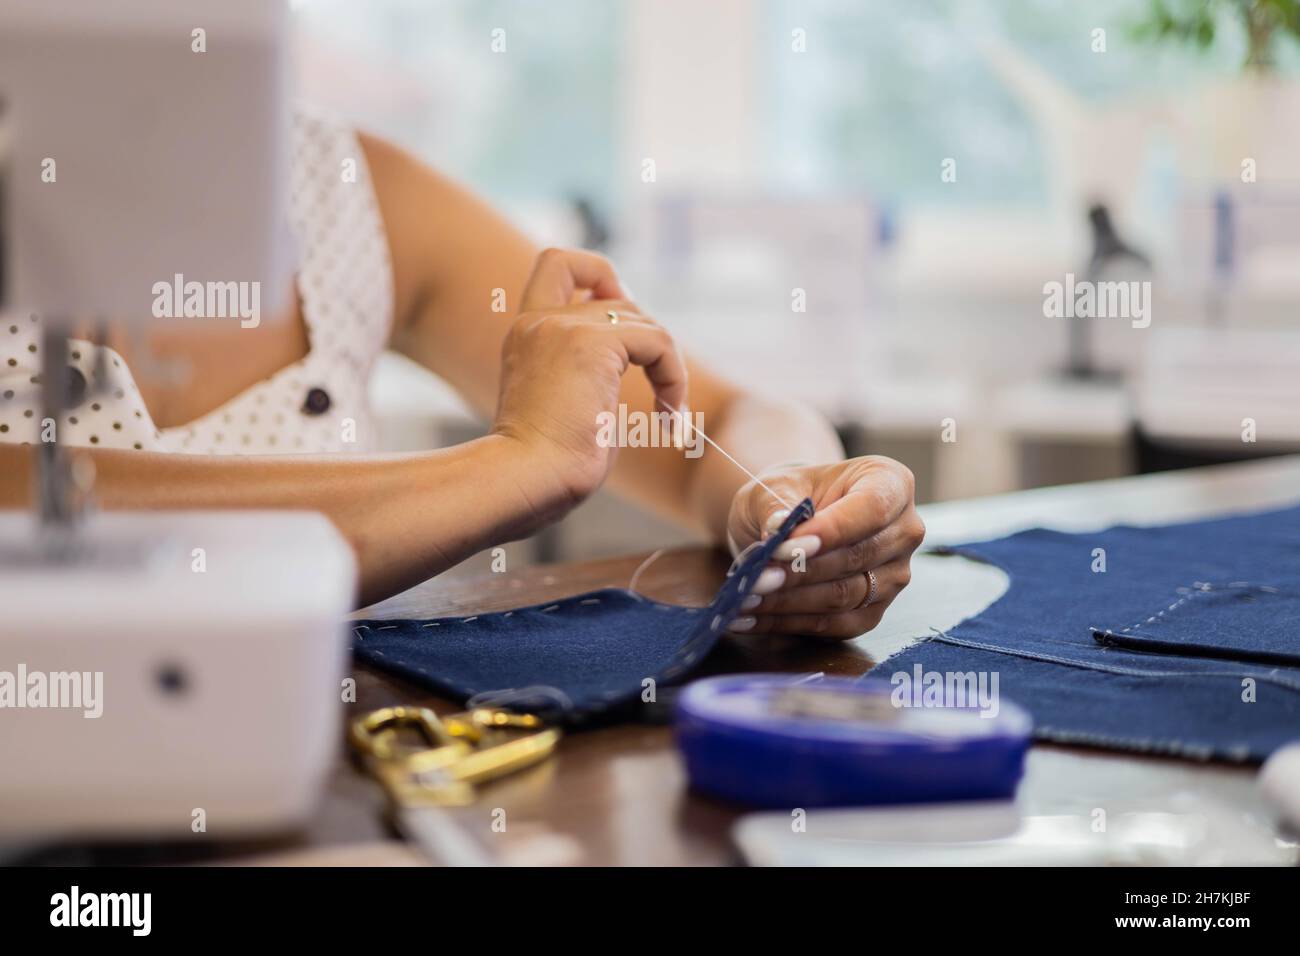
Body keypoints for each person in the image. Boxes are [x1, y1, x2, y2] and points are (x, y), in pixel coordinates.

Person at [0, 111, 923, 633]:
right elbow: (36, 520)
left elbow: (708, 423)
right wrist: (512, 463)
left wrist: (797, 493)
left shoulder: (344, 190)